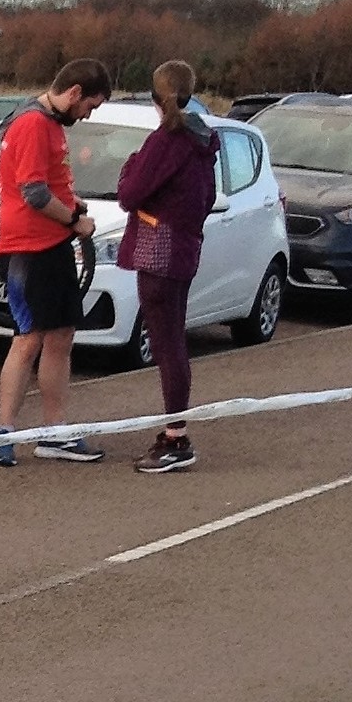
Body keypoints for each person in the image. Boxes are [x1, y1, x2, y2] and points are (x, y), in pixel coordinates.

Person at [0, 58, 113, 466]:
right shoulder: (35, 124)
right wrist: (76, 220)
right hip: (30, 247)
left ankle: (52, 431)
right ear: (74, 92)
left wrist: (71, 206)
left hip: (48, 245)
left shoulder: (47, 123)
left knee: (59, 337)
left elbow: (47, 185)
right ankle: (4, 433)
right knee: (29, 339)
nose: (87, 114)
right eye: (89, 106)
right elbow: (34, 193)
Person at [115, 60, 219, 472]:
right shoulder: (202, 140)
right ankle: (175, 430)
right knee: (173, 341)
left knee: (167, 345)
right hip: (185, 250)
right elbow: (205, 200)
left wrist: (127, 168)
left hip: (158, 250)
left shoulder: (165, 141)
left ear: (155, 97)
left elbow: (129, 194)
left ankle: (176, 438)